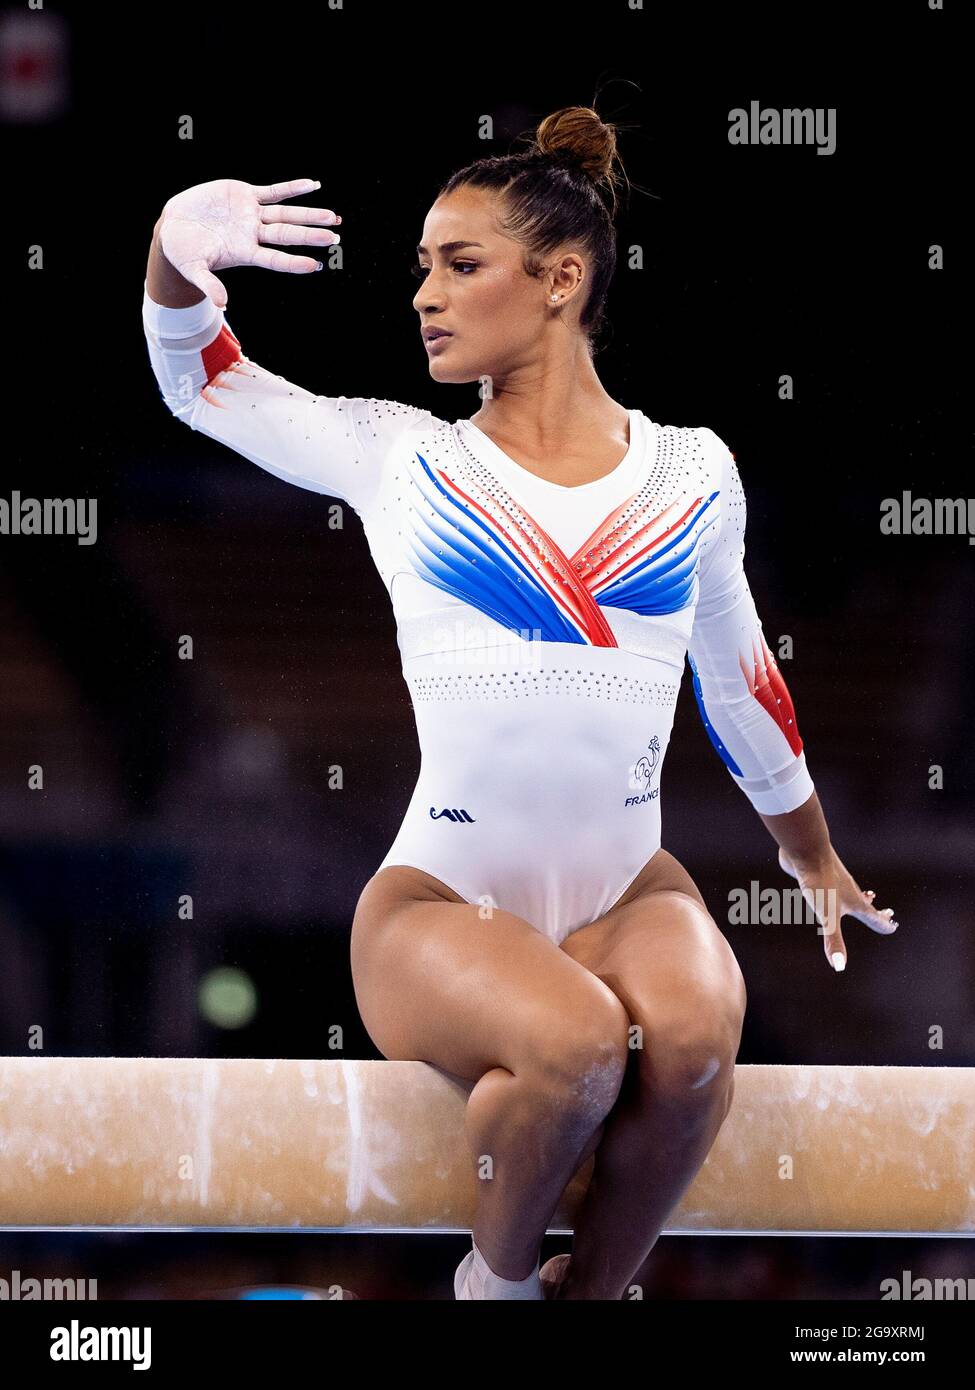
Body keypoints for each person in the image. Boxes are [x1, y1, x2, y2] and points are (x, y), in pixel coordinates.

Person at [142, 104, 898, 1300]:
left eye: (460, 263)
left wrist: (809, 856)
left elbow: (745, 677)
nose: (423, 294)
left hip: (627, 892)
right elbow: (199, 382)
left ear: (560, 278)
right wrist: (176, 255)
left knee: (698, 1040)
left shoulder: (694, 470)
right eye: (421, 269)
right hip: (440, 905)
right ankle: (489, 1291)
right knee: (577, 1043)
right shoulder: (404, 458)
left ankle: (585, 1292)